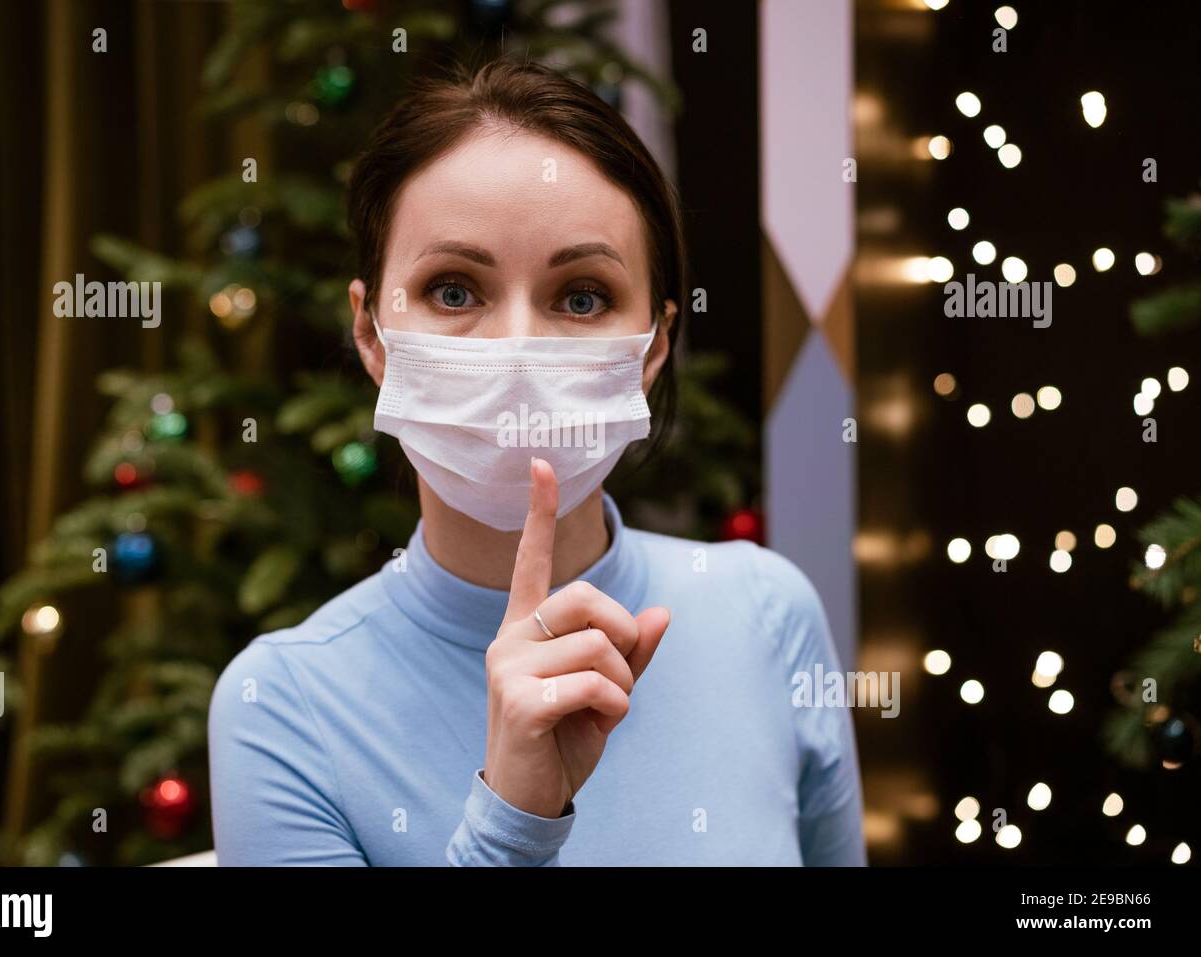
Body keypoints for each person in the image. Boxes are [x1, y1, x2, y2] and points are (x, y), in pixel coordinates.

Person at [208, 57, 865, 866]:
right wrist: (513, 817)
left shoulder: (769, 612)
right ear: (371, 331)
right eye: (454, 290)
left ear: (654, 345)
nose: (517, 349)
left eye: (581, 296)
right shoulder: (279, 704)